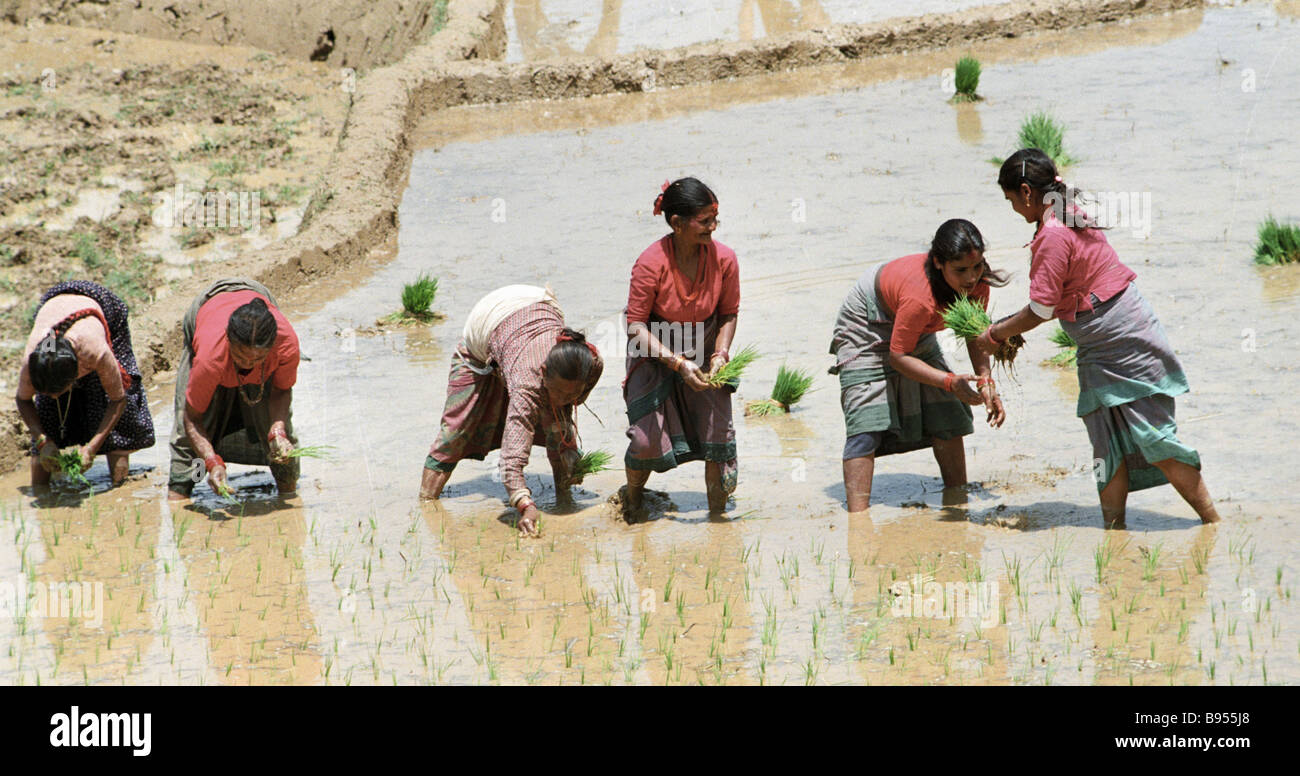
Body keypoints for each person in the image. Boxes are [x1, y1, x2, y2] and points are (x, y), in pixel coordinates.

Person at [977, 148, 1219, 527]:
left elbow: (1041, 309)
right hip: (1101, 344)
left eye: (1011, 200)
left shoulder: (1054, 234)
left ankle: (1213, 524)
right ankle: (1113, 531)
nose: (1012, 209)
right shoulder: (1065, 213)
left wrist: (995, 333)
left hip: (1121, 342)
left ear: (1027, 192)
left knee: (1152, 436)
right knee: (1107, 442)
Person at [829, 219, 1007, 513]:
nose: (972, 278)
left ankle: (957, 499)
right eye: (960, 270)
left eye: (976, 267)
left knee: (946, 411)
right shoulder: (920, 296)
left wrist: (986, 381)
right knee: (866, 421)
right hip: (867, 322)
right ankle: (857, 519)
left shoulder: (978, 284)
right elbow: (899, 357)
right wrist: (950, 380)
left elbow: (976, 335)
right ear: (938, 263)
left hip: (914, 324)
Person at [420, 285, 603, 538]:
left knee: (557, 418)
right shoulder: (528, 383)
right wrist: (525, 505)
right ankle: (426, 504)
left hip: (534, 306)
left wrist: (567, 416)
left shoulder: (591, 361)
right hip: (486, 326)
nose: (566, 399)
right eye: (559, 392)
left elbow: (568, 399)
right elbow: (511, 459)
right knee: (455, 431)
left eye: (573, 393)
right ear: (543, 375)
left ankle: (565, 495)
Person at [623, 177, 739, 517]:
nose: (713, 227)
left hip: (706, 348)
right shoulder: (650, 262)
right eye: (705, 221)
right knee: (645, 440)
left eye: (715, 219)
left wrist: (719, 355)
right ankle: (632, 500)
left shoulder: (725, 259)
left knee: (718, 437)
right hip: (655, 351)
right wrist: (678, 364)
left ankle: (718, 517)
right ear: (676, 223)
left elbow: (729, 313)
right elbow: (635, 327)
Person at [167, 278, 301, 501]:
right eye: (240, 357)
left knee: (280, 445)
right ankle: (184, 496)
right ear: (228, 340)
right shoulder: (211, 358)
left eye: (257, 358)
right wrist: (211, 462)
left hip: (258, 302)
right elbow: (192, 418)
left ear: (271, 347)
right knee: (187, 443)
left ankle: (288, 493)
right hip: (206, 311)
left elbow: (281, 391)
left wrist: (277, 430)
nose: (248, 363)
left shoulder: (285, 345)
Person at [15, 280, 154, 487]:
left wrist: (92, 447)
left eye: (59, 391)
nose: (54, 398)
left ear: (75, 376)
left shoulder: (94, 351)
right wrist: (42, 441)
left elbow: (118, 400)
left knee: (105, 402)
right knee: (46, 412)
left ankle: (119, 485)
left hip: (103, 310)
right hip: (54, 306)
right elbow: (23, 399)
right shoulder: (34, 359)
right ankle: (41, 489)